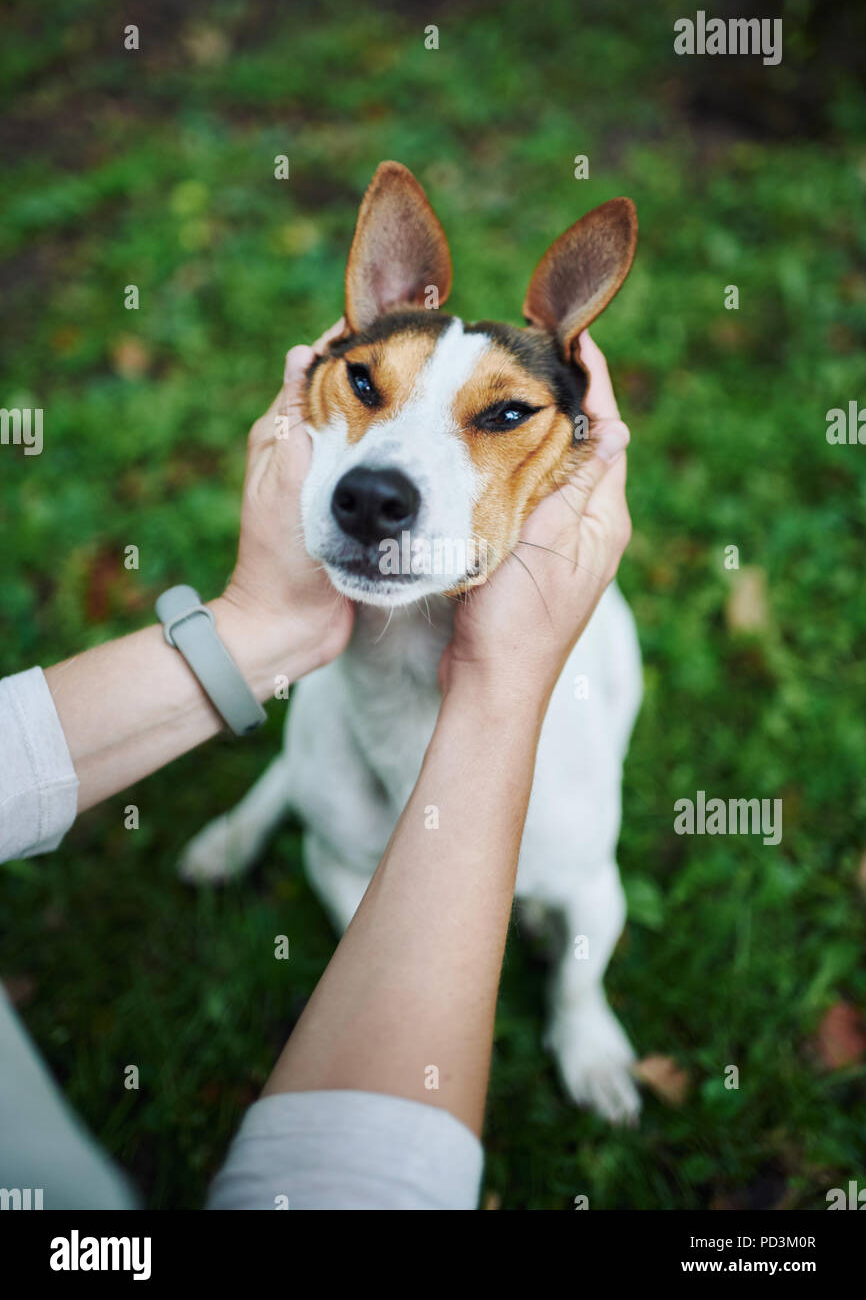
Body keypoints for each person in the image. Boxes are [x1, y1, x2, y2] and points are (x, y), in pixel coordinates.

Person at [0, 324, 631, 1210]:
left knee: (571, 884)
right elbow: (338, 862)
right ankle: (271, 806)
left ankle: (574, 1009)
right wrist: (267, 622)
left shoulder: (570, 793)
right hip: (344, 742)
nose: (381, 486)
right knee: (334, 826)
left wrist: (581, 1011)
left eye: (501, 415)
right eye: (368, 389)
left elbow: (591, 890)